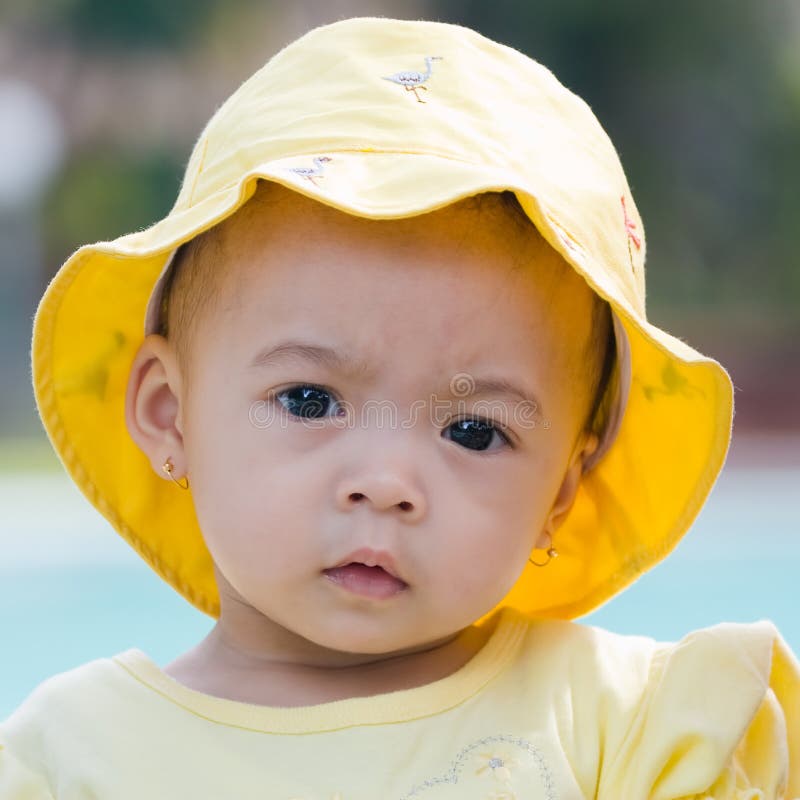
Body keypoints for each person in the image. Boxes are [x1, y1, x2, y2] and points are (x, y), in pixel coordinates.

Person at [2, 15, 797, 799]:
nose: (385, 482)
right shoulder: (71, 758)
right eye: (310, 400)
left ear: (560, 487)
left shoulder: (626, 725)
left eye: (474, 431)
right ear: (171, 412)